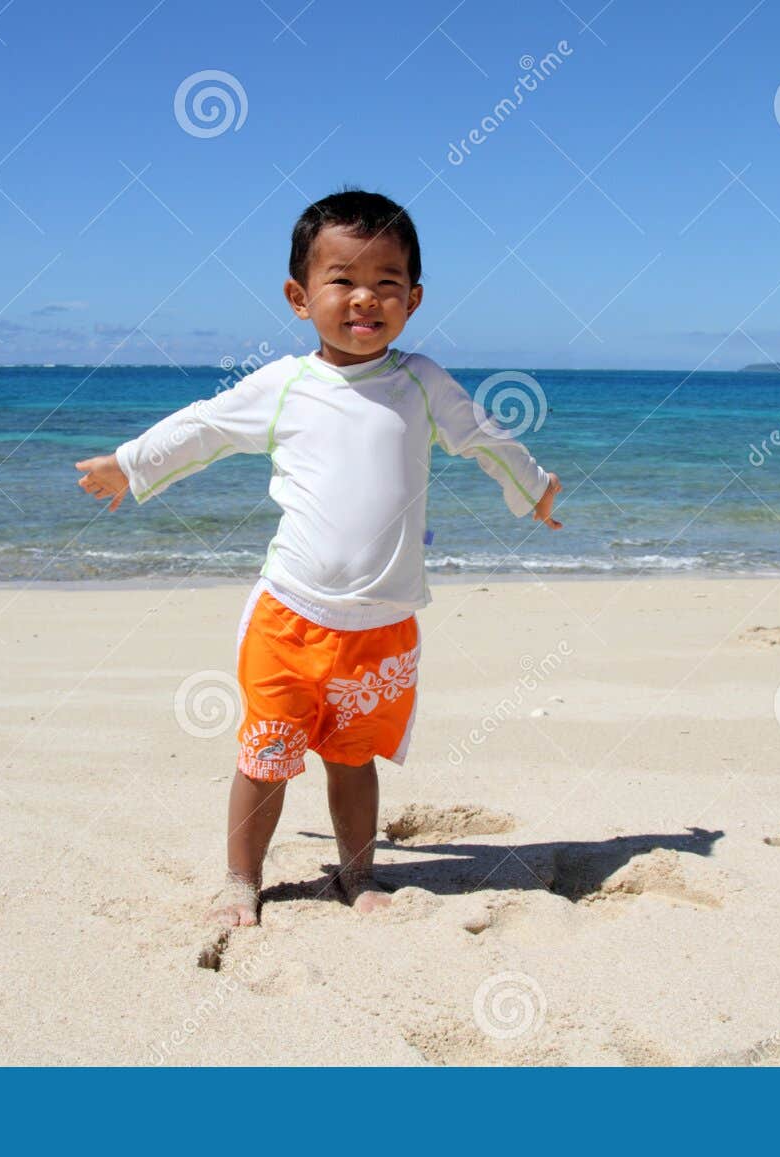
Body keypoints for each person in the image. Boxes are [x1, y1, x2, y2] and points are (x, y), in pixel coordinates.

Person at [75, 189, 562, 926]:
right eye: (342, 279)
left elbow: (483, 436)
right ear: (300, 296)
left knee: (352, 757)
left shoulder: (422, 382)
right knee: (265, 758)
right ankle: (241, 878)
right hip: (291, 618)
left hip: (383, 628)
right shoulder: (284, 385)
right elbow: (203, 428)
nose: (365, 297)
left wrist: (534, 488)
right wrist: (129, 464)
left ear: (415, 297)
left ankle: (359, 872)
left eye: (387, 282)